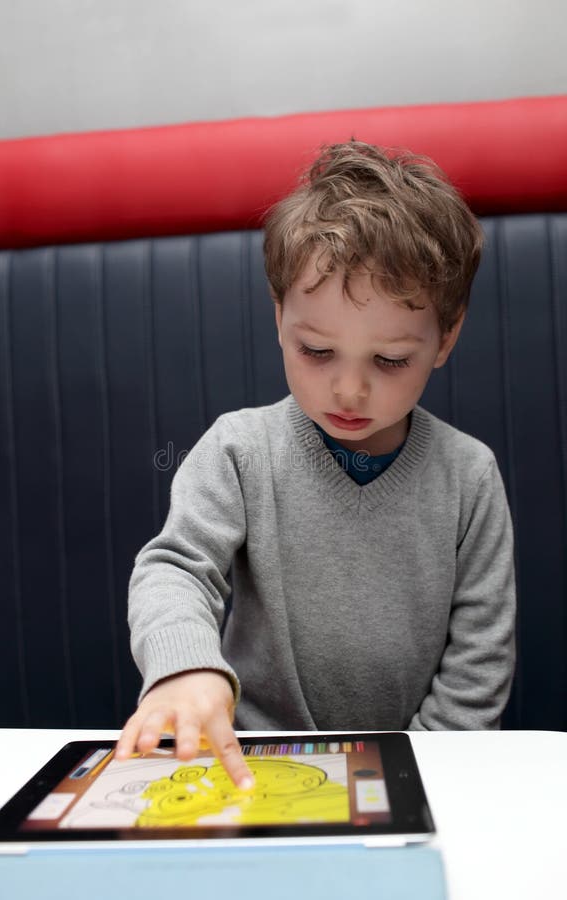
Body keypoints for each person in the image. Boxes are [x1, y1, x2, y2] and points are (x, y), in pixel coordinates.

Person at [116, 142, 516, 790]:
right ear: (280, 319)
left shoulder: (469, 477)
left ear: (446, 338)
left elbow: (479, 664)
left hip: (411, 777)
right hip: (248, 768)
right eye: (317, 350)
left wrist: (424, 775)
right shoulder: (236, 452)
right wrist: (185, 668)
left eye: (389, 361)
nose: (349, 391)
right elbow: (173, 569)